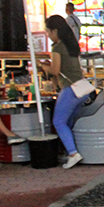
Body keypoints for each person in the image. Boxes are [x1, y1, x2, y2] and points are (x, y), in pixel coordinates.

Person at [39, 15, 90, 169]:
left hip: (70, 88)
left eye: (48, 31)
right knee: (68, 122)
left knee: (59, 122)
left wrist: (42, 66)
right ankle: (67, 151)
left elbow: (55, 70)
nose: (48, 35)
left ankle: (73, 153)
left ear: (55, 30)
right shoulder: (71, 44)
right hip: (82, 87)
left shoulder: (58, 47)